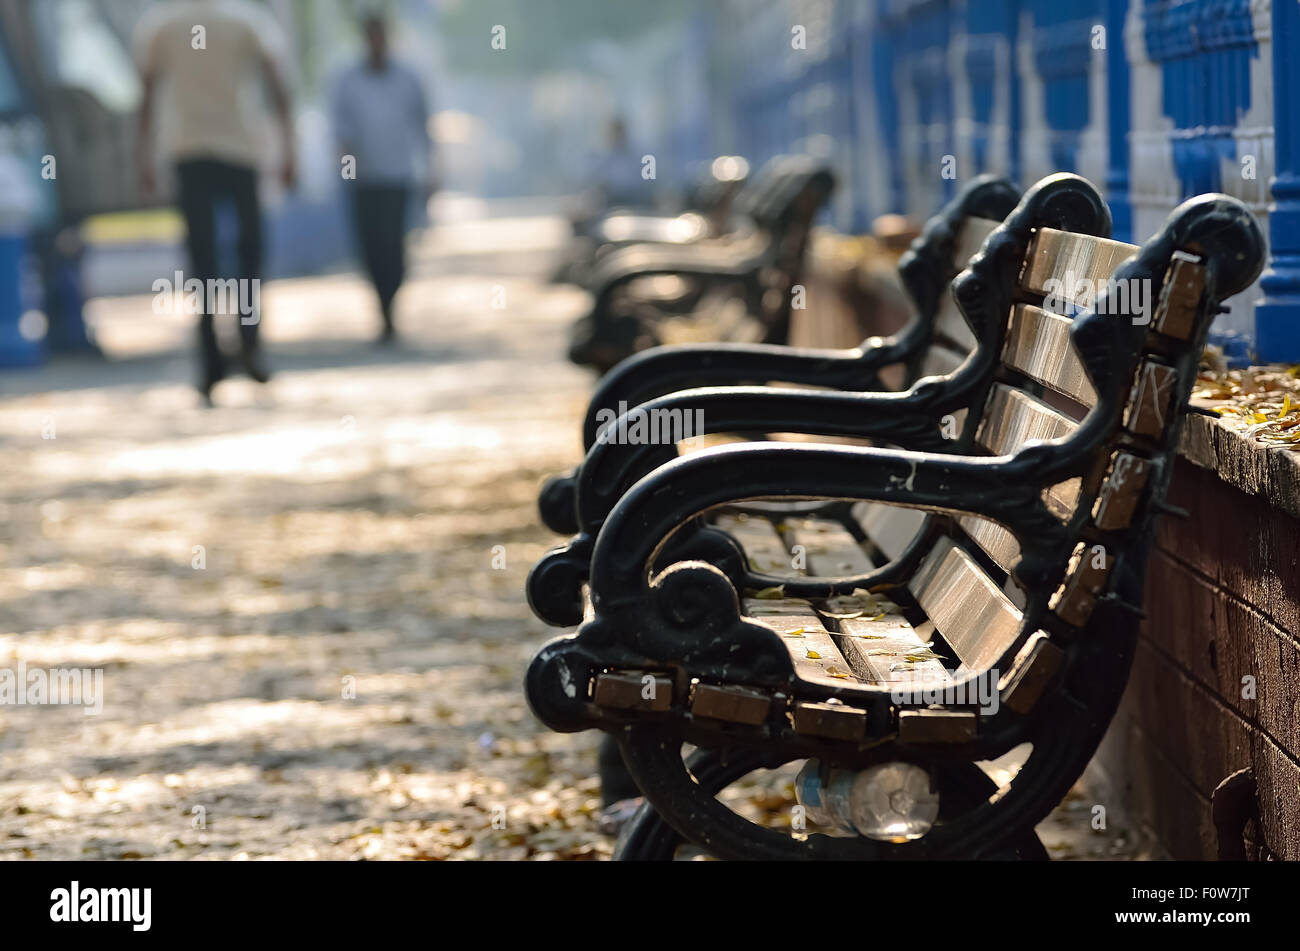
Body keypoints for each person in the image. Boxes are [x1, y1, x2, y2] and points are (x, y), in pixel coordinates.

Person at [135, 0, 297, 404]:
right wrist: (288, 149)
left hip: (189, 152)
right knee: (250, 254)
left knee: (203, 261)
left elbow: (148, 95)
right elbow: (278, 88)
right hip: (240, 150)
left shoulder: (162, 24)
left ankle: (211, 364)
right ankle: (250, 344)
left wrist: (144, 158)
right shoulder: (246, 22)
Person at [331, 14, 434, 342]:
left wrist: (431, 171)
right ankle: (382, 306)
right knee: (370, 246)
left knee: (394, 245)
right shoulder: (347, 79)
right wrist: (347, 171)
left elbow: (423, 126)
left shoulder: (408, 78)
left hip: (397, 174)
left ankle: (392, 302)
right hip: (363, 179)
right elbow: (341, 132)